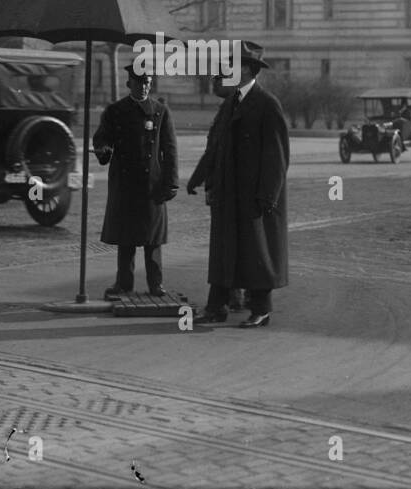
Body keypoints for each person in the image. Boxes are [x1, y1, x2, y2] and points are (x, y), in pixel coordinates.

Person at [194, 41, 289, 328]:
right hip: (228, 193)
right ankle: (216, 307)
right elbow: (216, 146)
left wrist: (267, 197)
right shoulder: (231, 103)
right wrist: (200, 177)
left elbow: (277, 156)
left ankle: (261, 310)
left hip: (254, 197)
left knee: (257, 254)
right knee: (224, 252)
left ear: (246, 70)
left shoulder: (267, 104)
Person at [94, 65, 179, 299]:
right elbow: (102, 138)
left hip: (152, 184)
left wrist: (171, 182)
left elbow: (169, 149)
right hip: (125, 183)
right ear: (128, 83)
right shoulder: (115, 111)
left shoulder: (160, 111)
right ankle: (124, 283)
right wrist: (103, 149)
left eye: (148, 82)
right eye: (140, 82)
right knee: (126, 237)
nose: (144, 86)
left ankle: (156, 284)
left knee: (152, 239)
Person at [187, 72, 248, 312]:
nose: (214, 82)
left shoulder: (235, 108)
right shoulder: (227, 108)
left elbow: (217, 152)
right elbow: (212, 151)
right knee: (229, 244)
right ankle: (235, 294)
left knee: (231, 244)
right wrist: (197, 179)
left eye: (219, 79)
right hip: (221, 189)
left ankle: (235, 295)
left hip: (232, 191)